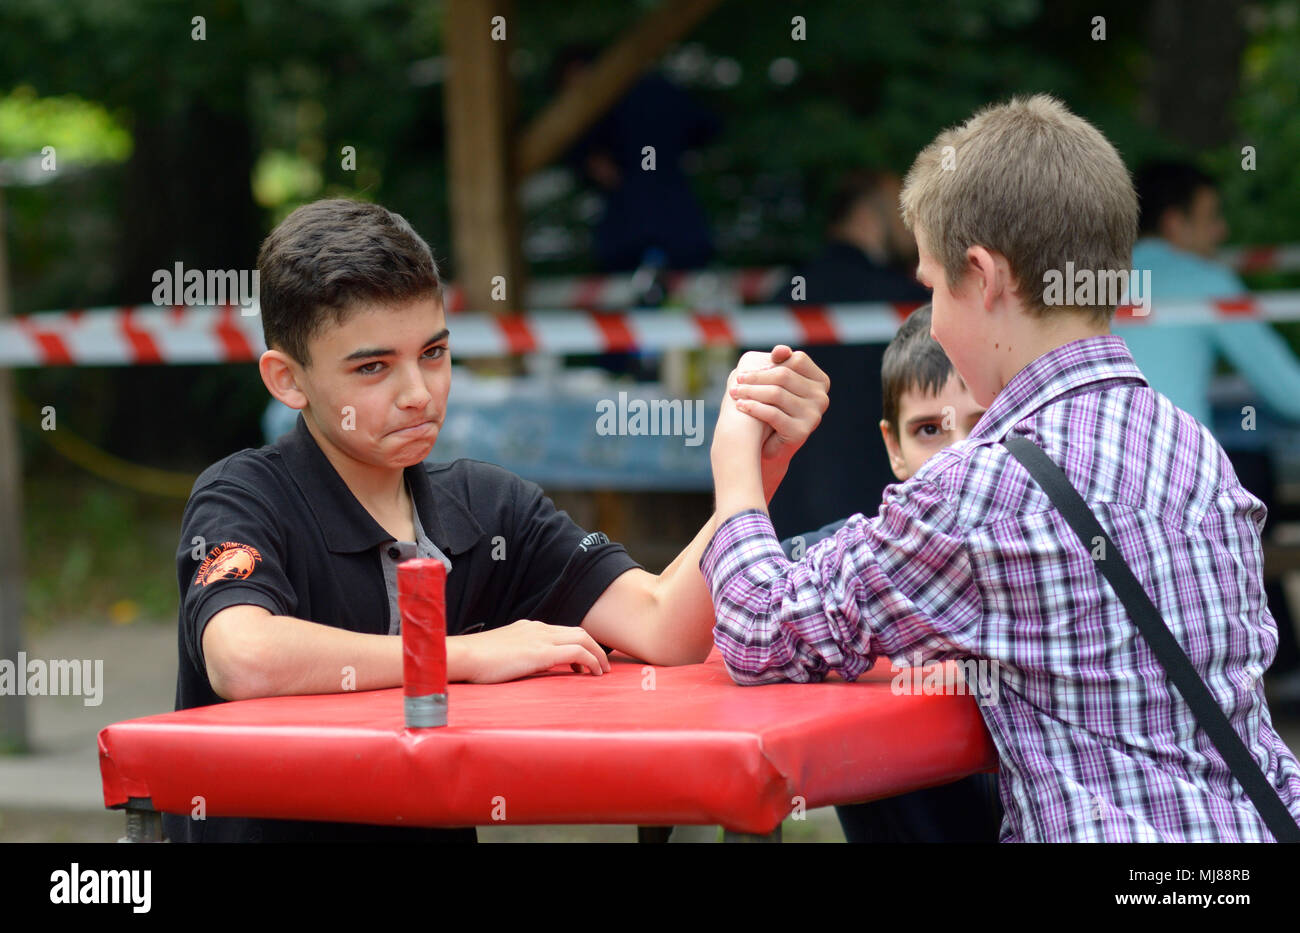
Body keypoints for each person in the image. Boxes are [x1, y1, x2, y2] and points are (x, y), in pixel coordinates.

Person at [707, 95, 1300, 841]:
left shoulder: (986, 492)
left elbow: (761, 632)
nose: (931, 315)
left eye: (930, 286)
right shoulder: (1192, 445)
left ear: (982, 276)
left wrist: (737, 472)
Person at [166, 198, 828, 843]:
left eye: (433, 353)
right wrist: (465, 656)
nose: (418, 393)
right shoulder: (244, 496)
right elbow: (243, 656)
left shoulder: (486, 507)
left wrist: (752, 474)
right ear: (288, 380)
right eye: (373, 367)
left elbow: (664, 625)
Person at [780, 305, 999, 842]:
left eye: (981, 425)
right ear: (893, 448)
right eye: (929, 431)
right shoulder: (843, 565)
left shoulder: (1054, 550)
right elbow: (744, 595)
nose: (955, 457)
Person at [1123, 160, 1300, 707]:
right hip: (1182, 490)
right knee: (1253, 475)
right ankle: (1283, 669)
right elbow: (1288, 393)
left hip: (1087, 485)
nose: (1222, 233)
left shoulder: (1086, 274)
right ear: (1176, 225)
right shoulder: (1203, 282)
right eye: (1212, 217)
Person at [766, 169, 930, 539]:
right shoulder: (905, 302)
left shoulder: (783, 296)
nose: (911, 226)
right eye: (899, 210)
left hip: (785, 519)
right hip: (875, 521)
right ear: (868, 213)